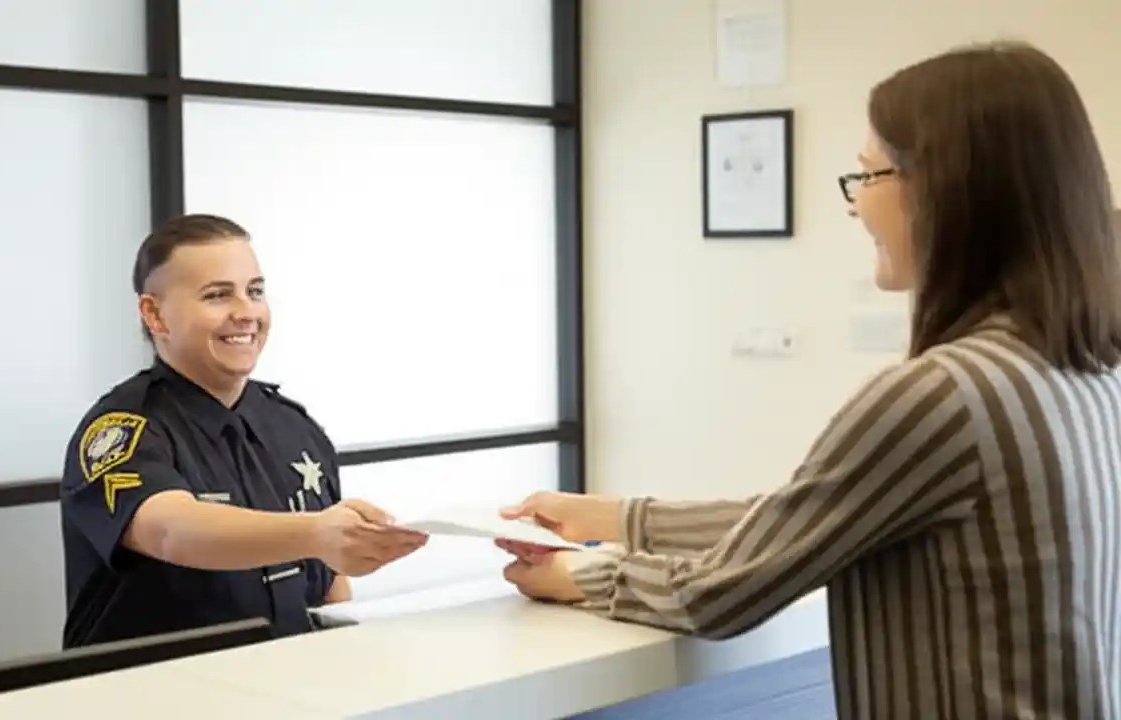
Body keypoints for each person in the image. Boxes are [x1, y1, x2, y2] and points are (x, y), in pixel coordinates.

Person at [497, 41, 1121, 719]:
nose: (855, 206)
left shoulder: (943, 395)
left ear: (947, 189)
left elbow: (720, 593)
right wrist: (615, 519)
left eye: (869, 175)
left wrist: (581, 573)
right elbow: (822, 513)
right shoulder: (1079, 368)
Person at [60, 214, 426, 649]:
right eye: (217, 295)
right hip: (156, 686)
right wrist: (316, 533)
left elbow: (330, 585)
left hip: (292, 680)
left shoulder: (295, 428)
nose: (246, 313)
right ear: (154, 315)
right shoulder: (121, 430)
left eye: (254, 291)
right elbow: (170, 531)